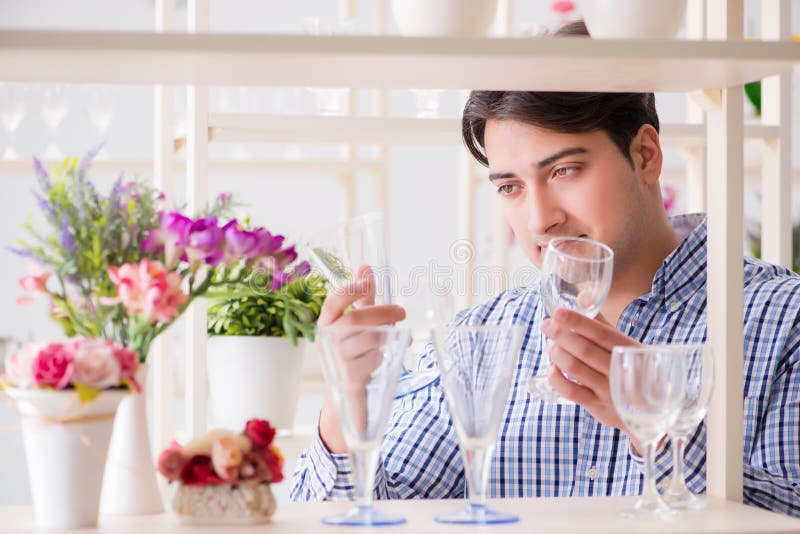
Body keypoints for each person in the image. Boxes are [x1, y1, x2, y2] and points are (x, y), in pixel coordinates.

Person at [289, 21, 800, 517]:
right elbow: (375, 513)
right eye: (510, 186)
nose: (539, 220)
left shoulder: (783, 320)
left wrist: (663, 433)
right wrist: (345, 408)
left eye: (564, 171)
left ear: (646, 154)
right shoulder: (480, 338)